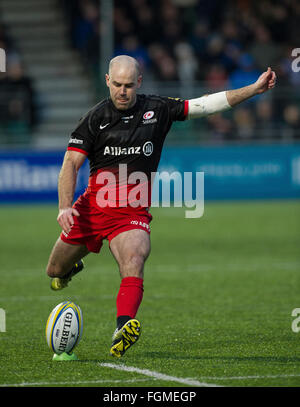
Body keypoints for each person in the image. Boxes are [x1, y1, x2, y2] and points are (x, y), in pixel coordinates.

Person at [45, 55, 276, 358]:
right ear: (107, 81)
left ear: (139, 82)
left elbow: (205, 105)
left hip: (131, 214)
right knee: (54, 270)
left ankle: (123, 326)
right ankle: (71, 266)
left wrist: (253, 89)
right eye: (117, 84)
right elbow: (70, 164)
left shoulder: (157, 109)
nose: (123, 91)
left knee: (134, 259)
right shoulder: (93, 118)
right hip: (92, 209)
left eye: (129, 85)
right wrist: (65, 207)